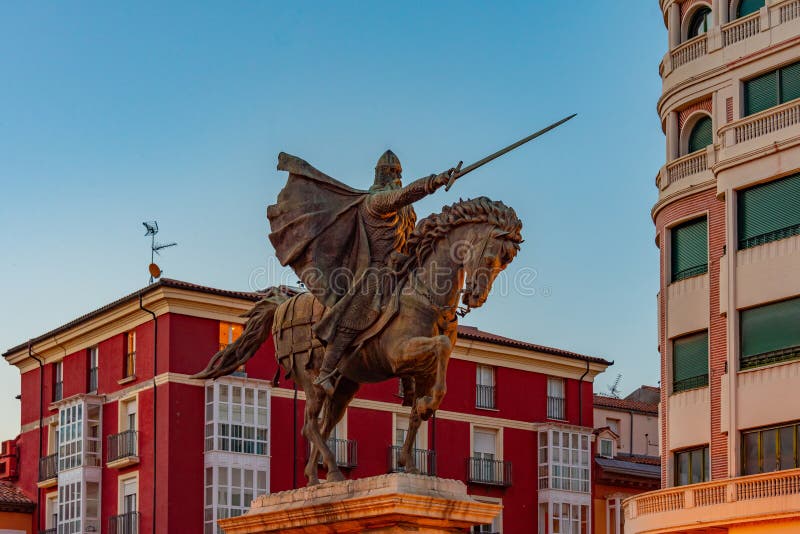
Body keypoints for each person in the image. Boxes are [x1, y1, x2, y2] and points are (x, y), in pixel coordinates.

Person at [267, 150, 455, 396]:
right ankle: (326, 370)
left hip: (401, 269)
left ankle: (410, 377)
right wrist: (435, 181)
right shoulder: (375, 201)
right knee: (358, 312)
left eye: (399, 173)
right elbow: (404, 195)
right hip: (374, 272)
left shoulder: (407, 212)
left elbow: (409, 239)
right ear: (383, 175)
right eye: (393, 173)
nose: (397, 178)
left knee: (420, 308)